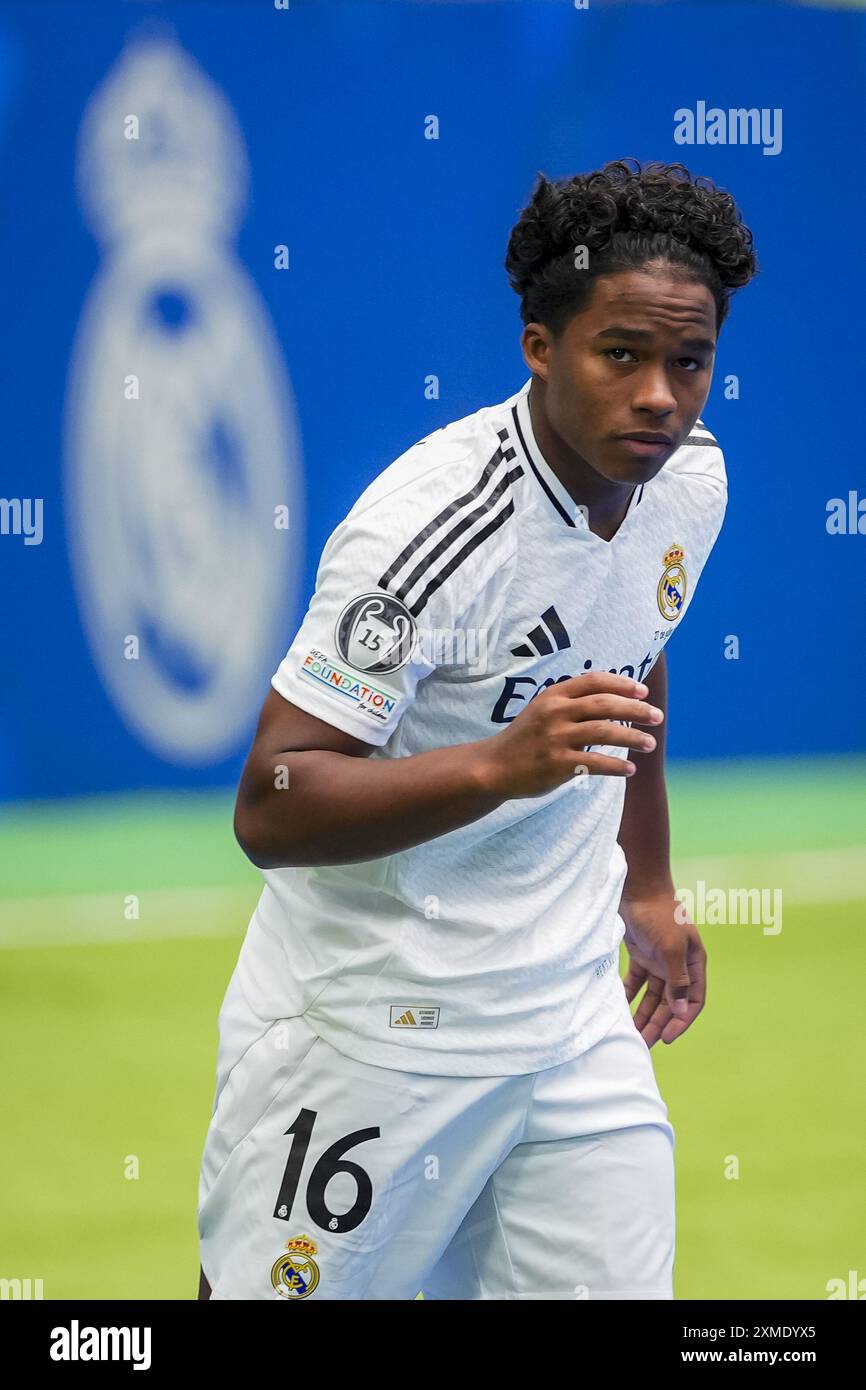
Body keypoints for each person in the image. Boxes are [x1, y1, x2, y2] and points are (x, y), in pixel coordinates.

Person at [196, 157, 757, 1300]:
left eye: (688, 361)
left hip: (569, 1018)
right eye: (621, 355)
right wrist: (499, 765)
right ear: (539, 349)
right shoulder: (428, 532)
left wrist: (641, 884)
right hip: (374, 1023)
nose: (659, 394)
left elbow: (632, 660)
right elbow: (273, 800)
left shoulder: (687, 485)